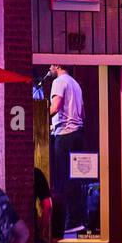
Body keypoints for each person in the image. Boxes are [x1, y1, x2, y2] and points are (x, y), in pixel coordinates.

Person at [48, 64, 85, 231]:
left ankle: (70, 222)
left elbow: (55, 106)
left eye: (51, 64)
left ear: (57, 65)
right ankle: (77, 219)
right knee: (76, 178)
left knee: (65, 179)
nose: (49, 67)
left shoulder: (59, 81)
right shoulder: (75, 83)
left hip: (65, 136)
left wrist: (40, 115)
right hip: (77, 133)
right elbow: (82, 112)